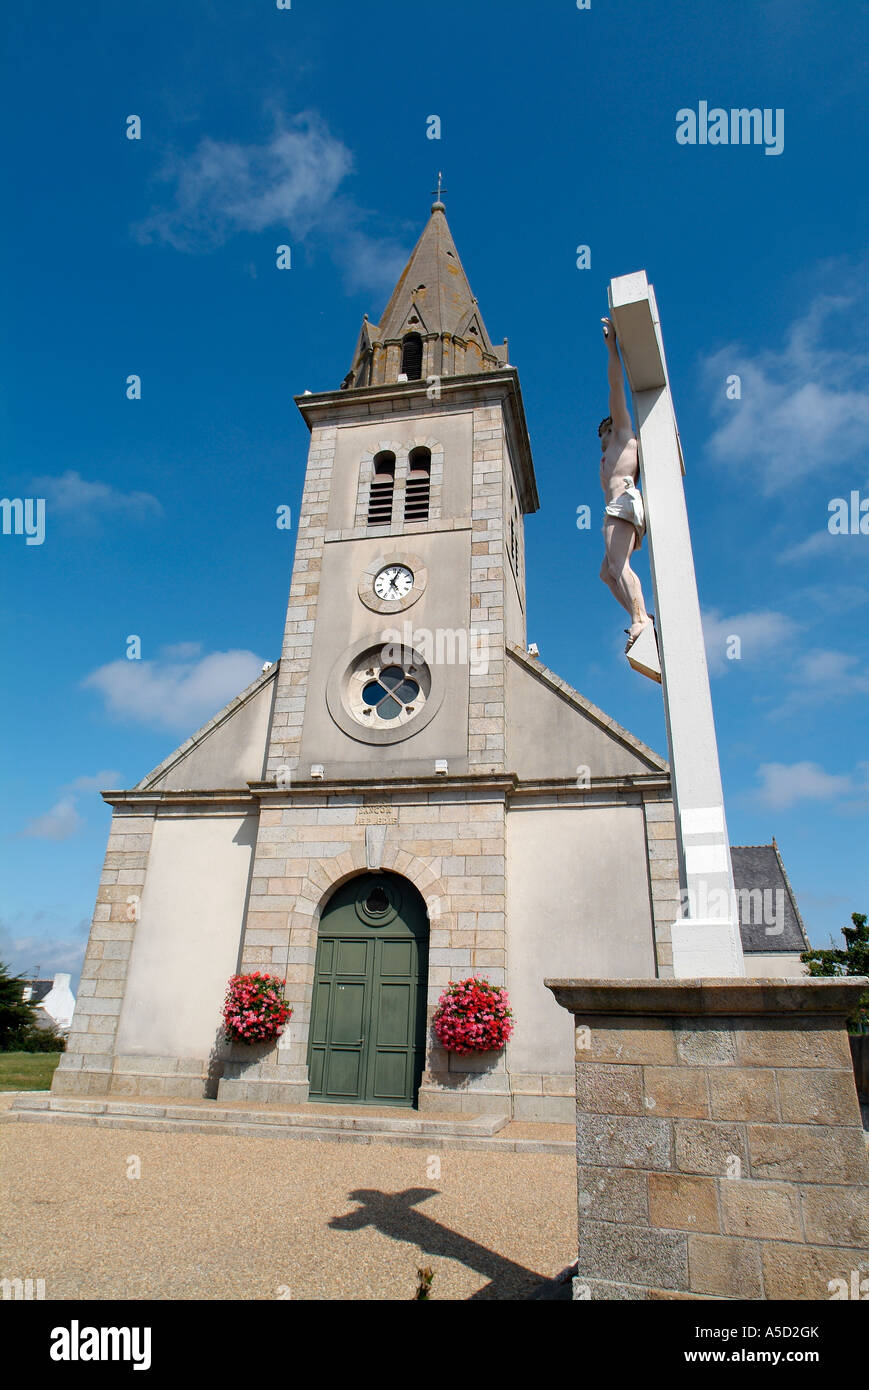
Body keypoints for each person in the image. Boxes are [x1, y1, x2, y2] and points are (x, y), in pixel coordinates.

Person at [599, 316, 653, 651]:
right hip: (614, 508)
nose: (603, 432)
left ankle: (640, 619)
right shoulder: (606, 457)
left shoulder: (623, 437)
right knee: (607, 573)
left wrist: (612, 346)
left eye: (606, 427)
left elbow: (615, 387)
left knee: (619, 566)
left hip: (623, 505)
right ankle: (639, 615)